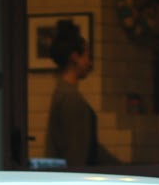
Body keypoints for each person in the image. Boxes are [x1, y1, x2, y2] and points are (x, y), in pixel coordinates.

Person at [44, 19, 114, 168]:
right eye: (87, 57)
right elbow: (77, 152)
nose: (89, 63)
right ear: (75, 57)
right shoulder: (70, 98)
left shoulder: (61, 93)